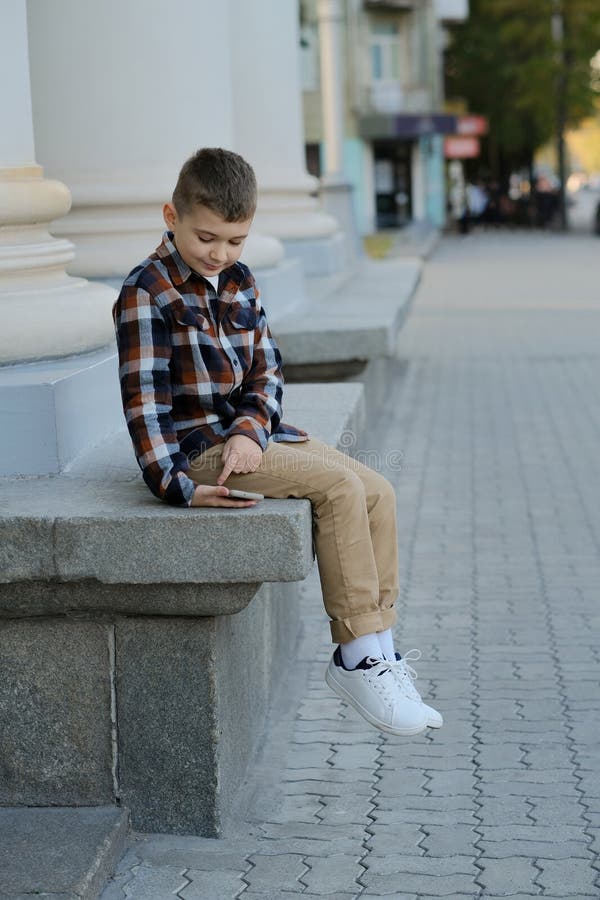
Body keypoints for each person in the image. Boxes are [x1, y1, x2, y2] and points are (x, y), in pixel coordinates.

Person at [113, 147, 443, 738]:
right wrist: (181, 487)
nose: (219, 254)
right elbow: (144, 403)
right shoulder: (147, 291)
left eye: (235, 241)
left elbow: (267, 372)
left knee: (377, 490)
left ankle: (382, 648)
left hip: (250, 436)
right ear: (172, 215)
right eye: (206, 237)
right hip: (197, 450)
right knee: (340, 487)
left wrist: (249, 430)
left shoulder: (239, 281)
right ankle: (356, 658)